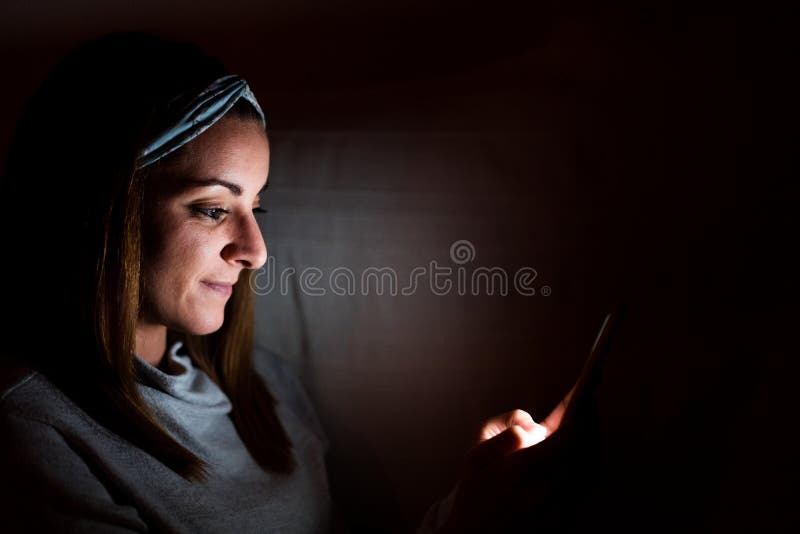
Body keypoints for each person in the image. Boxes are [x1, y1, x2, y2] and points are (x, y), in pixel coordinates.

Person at [0, 32, 596, 533]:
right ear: (100, 211)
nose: (255, 252)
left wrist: (472, 502)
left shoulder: (266, 385)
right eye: (212, 209)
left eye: (256, 209)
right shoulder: (31, 432)